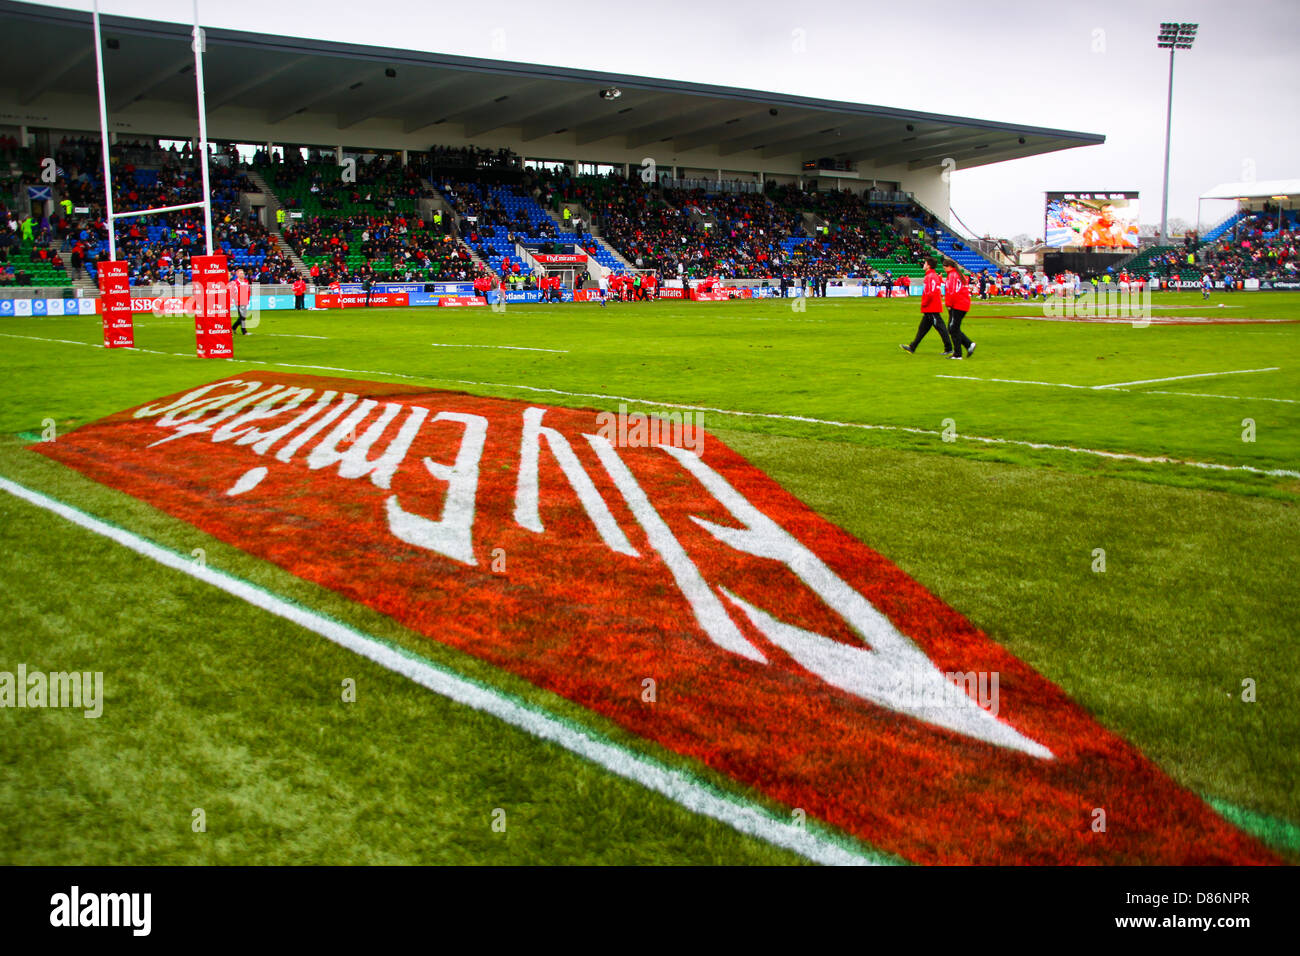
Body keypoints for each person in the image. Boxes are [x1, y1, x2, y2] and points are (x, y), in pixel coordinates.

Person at [899, 258, 953, 355]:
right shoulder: (931, 275)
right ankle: (912, 347)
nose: (923, 264)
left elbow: (931, 292)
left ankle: (949, 348)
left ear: (928, 265)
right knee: (922, 328)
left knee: (940, 327)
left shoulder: (931, 276)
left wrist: (925, 302)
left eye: (925, 263)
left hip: (932, 307)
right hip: (930, 307)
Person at [944, 264, 975, 360]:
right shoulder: (957, 274)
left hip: (958, 304)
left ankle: (958, 353)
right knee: (952, 327)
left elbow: (952, 291)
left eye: (944, 266)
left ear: (949, 266)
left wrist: (949, 304)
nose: (944, 268)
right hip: (962, 303)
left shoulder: (953, 275)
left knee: (953, 328)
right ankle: (968, 345)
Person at [230, 269, 252, 334]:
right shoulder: (235, 282)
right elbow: (233, 292)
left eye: (243, 273)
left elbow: (248, 291)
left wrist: (248, 299)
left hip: (244, 301)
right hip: (238, 302)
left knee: (243, 316)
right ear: (237, 274)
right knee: (243, 316)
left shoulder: (246, 281)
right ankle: (244, 331)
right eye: (240, 273)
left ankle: (234, 327)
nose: (242, 274)